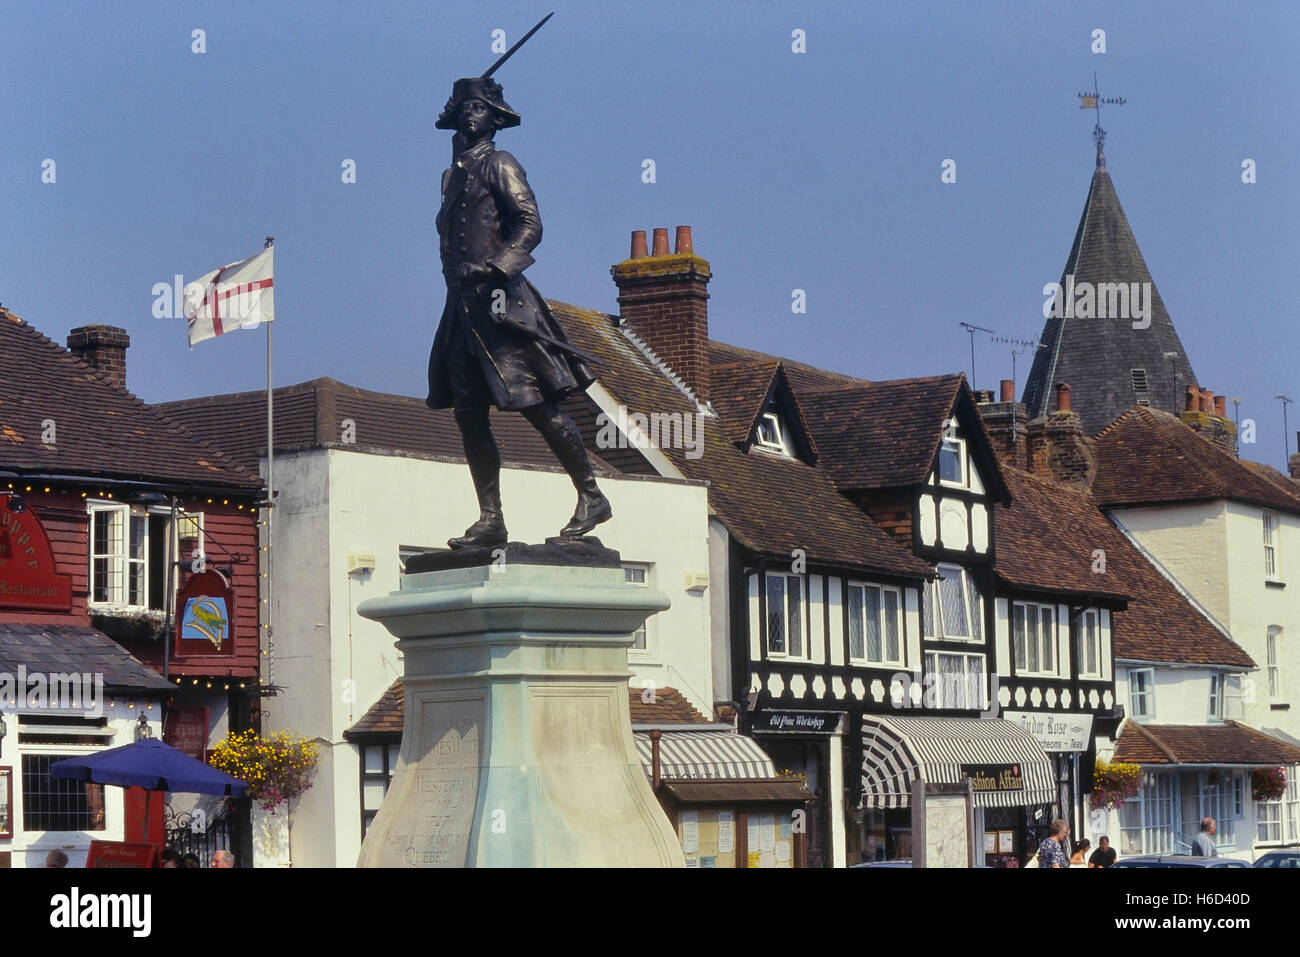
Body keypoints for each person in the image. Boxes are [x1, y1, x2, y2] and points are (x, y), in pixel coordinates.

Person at [426, 76, 611, 547]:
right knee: (468, 413)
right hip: (460, 306)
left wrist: (496, 268)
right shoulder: (452, 176)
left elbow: (530, 223)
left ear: (495, 119)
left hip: (498, 299)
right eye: (464, 108)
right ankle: (491, 518)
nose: (471, 115)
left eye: (479, 108)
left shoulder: (501, 164)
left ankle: (591, 495)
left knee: (535, 404)